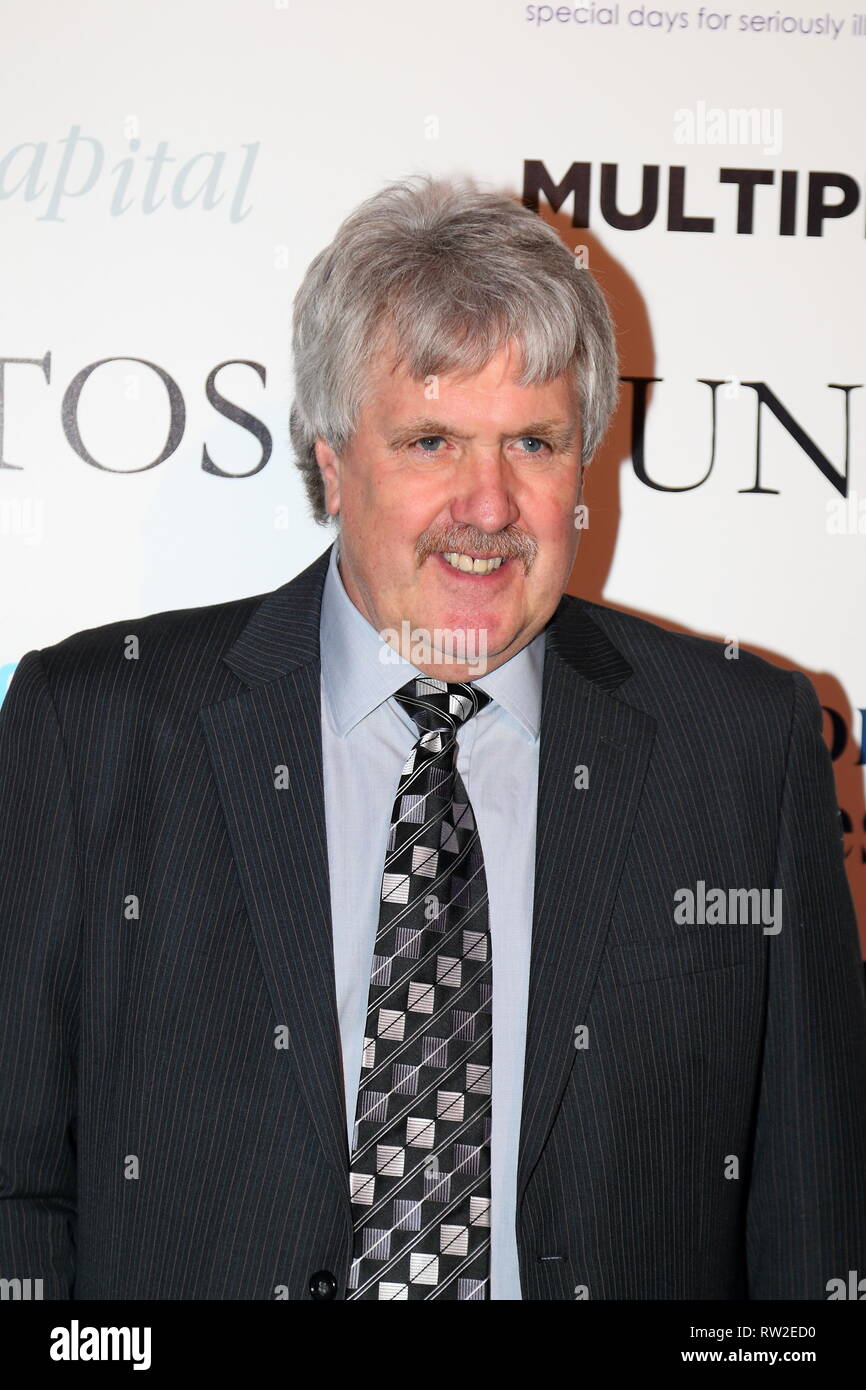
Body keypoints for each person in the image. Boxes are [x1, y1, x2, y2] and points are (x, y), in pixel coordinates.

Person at [1, 174, 864, 1302]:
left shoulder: (741, 748)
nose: (489, 505)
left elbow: (812, 1230)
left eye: (535, 445)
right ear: (327, 456)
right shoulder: (89, 728)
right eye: (429, 440)